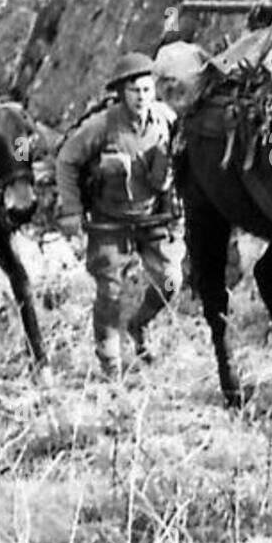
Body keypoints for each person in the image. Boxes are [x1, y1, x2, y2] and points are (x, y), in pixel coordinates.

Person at [55, 53, 182, 379]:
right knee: (110, 293)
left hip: (152, 219)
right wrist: (70, 209)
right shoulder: (101, 126)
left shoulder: (166, 120)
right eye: (134, 91)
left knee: (171, 280)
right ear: (121, 93)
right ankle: (110, 364)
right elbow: (67, 160)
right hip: (110, 221)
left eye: (146, 89)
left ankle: (138, 325)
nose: (141, 97)